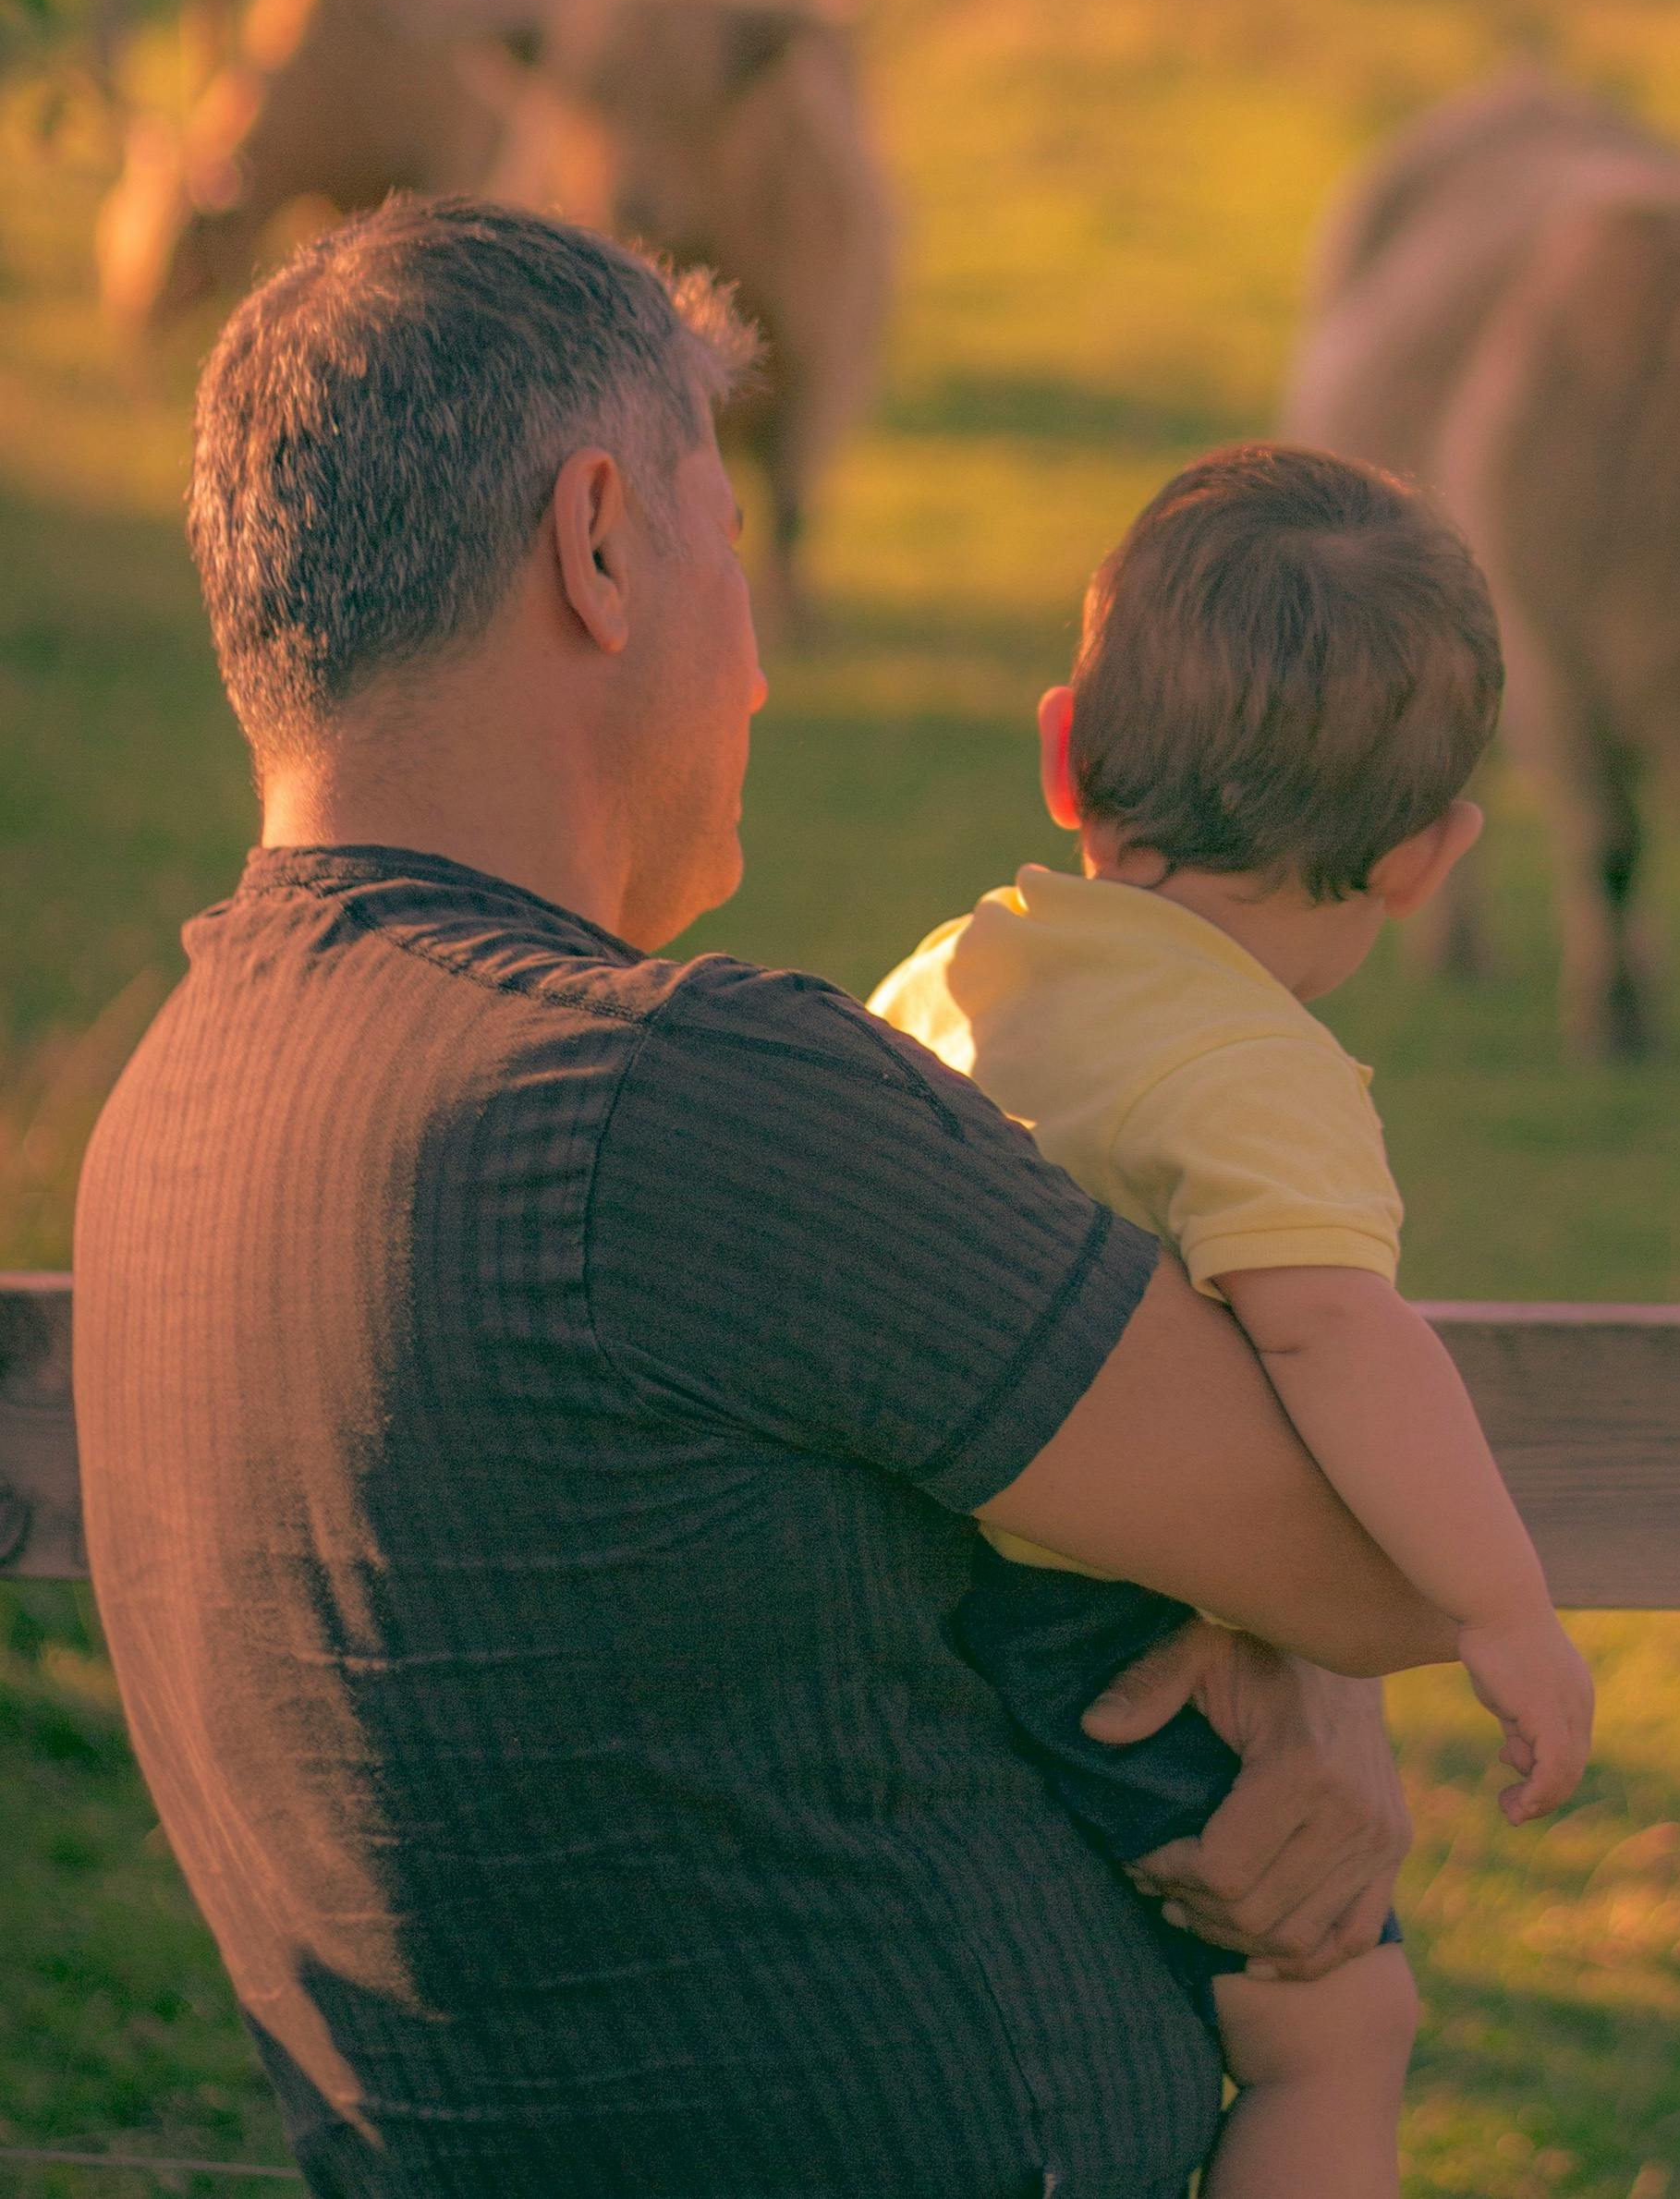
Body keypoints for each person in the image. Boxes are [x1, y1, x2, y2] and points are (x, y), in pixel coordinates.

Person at [71, 200, 1456, 2199]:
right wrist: (1300, 1662)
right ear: (600, 545)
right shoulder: (660, 1104)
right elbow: (1385, 1565)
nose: (762, 674)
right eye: (728, 544)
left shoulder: (165, 1119)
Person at [875, 443, 1595, 2199]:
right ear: (1426, 858)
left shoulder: (953, 973)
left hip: (905, 1581)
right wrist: (1502, 1607)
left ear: (1064, 753)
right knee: (1338, 2030)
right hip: (1100, 1638)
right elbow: (1335, 1337)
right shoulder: (1257, 1070)